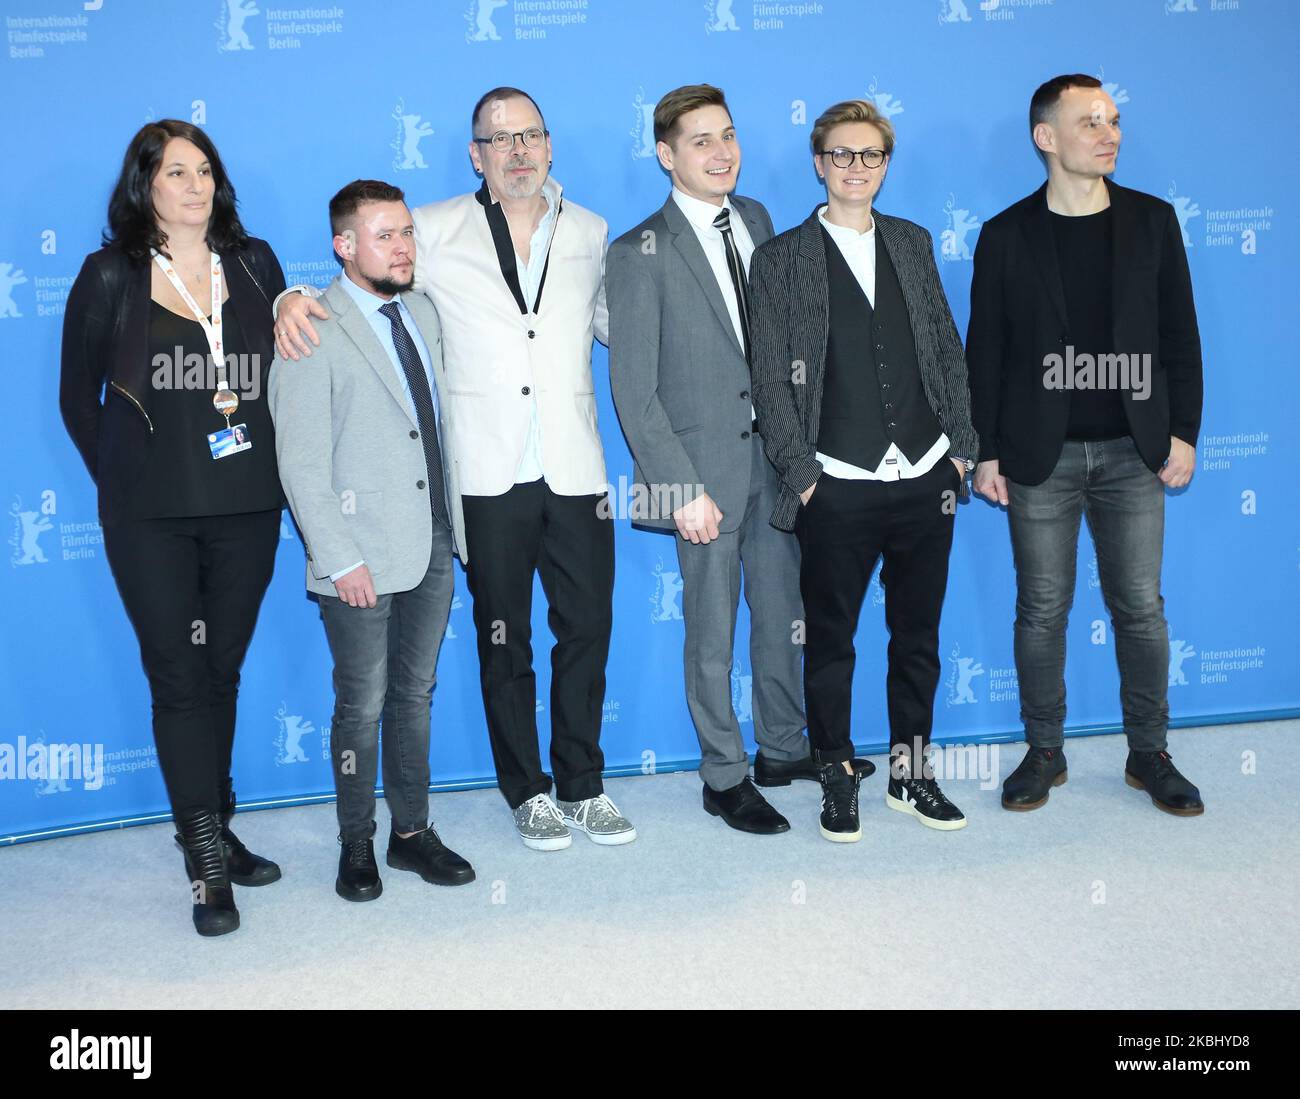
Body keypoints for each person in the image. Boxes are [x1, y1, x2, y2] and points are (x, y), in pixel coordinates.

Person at [272, 88, 635, 851]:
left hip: (575, 466)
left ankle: (584, 782)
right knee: (506, 642)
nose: (518, 150)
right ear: (477, 154)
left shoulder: (593, 231)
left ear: (549, 143)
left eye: (530, 134)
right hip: (485, 476)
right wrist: (289, 297)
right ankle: (527, 791)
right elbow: (365, 280)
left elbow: (617, 327)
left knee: (589, 631)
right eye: (499, 139)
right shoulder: (433, 230)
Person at [606, 84, 871, 837]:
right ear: (666, 155)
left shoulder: (755, 219)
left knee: (784, 617)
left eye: (728, 136)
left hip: (779, 464)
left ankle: (783, 749)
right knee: (712, 632)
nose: (722, 152)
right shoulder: (637, 252)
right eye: (701, 141)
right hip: (699, 479)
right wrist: (678, 489)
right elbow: (634, 392)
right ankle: (723, 775)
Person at [60, 120, 284, 937]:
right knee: (178, 677)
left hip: (249, 506)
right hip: (150, 519)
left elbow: (281, 373)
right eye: (176, 173)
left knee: (220, 672)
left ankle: (216, 819)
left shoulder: (255, 264)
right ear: (143, 186)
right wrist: (123, 483)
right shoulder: (109, 273)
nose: (195, 186)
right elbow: (75, 397)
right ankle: (205, 859)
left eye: (205, 171)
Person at [965, 74, 1204, 816]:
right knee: (1042, 608)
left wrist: (1184, 430)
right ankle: (1044, 753)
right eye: (1090, 121)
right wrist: (985, 450)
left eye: (1114, 120)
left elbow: (1179, 337)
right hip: (1042, 455)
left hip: (1136, 453)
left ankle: (1149, 752)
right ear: (1047, 138)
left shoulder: (1154, 222)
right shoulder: (1005, 235)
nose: (1109, 134)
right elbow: (987, 353)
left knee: (1141, 607)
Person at [749, 99, 979, 843]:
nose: (855, 168)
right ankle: (837, 772)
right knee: (831, 639)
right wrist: (802, 471)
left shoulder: (911, 243)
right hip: (836, 483)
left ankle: (912, 773)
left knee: (918, 636)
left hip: (924, 475)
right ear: (819, 164)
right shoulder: (780, 258)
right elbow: (770, 380)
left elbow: (945, 348)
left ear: (885, 164)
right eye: (841, 155)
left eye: (870, 155)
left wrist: (962, 449)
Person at [269, 180, 474, 900]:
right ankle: (355, 841)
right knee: (361, 704)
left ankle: (411, 832)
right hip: (356, 556)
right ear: (344, 245)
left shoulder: (422, 311)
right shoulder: (309, 326)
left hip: (433, 543)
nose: (402, 247)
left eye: (407, 233)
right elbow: (298, 460)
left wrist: (451, 534)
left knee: (415, 695)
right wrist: (338, 556)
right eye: (385, 235)